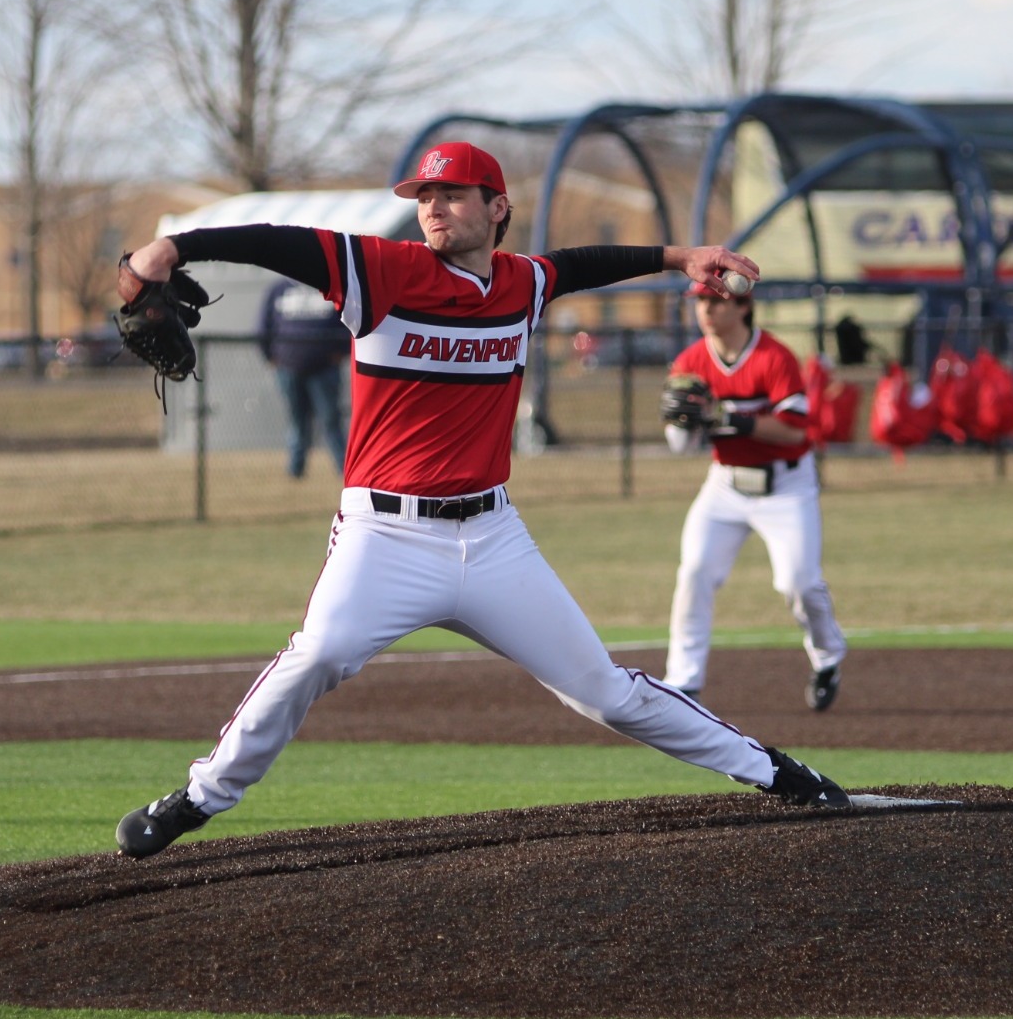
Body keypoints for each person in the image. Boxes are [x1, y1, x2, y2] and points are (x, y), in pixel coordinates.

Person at [112, 140, 851, 858]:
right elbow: (281, 242)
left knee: (606, 691)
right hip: (386, 535)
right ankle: (198, 798)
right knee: (318, 654)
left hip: (494, 537)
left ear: (497, 207)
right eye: (424, 196)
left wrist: (681, 258)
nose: (432, 207)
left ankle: (776, 771)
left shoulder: (521, 284)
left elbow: (583, 265)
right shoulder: (384, 270)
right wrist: (172, 248)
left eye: (451, 194)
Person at [661, 286, 847, 711]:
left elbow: (795, 430)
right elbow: (681, 445)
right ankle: (683, 681)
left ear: (742, 305)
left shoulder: (774, 357)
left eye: (716, 300)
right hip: (725, 484)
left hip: (785, 486)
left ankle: (827, 657)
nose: (705, 308)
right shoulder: (691, 360)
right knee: (694, 572)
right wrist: (680, 423)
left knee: (799, 584)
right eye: (700, 301)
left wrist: (729, 418)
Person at [257, 279, 350, 479]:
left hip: (325, 369)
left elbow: (351, 322)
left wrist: (342, 351)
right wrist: (271, 357)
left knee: (331, 420)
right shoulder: (279, 289)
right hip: (288, 369)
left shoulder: (331, 286)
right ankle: (296, 470)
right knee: (297, 421)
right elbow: (263, 326)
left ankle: (345, 469)